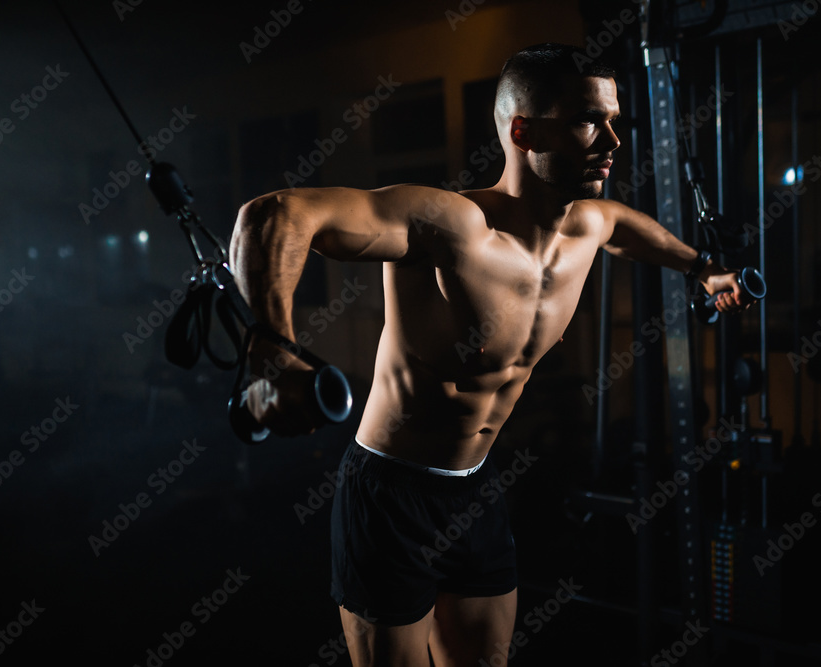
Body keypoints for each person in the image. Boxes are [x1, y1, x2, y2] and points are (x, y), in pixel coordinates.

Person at [230, 43, 751, 667]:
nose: (612, 139)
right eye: (589, 120)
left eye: (614, 120)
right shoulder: (450, 227)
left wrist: (701, 268)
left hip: (474, 487)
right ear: (523, 130)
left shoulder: (587, 227)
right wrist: (273, 350)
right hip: (391, 493)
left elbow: (627, 229)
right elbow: (276, 215)